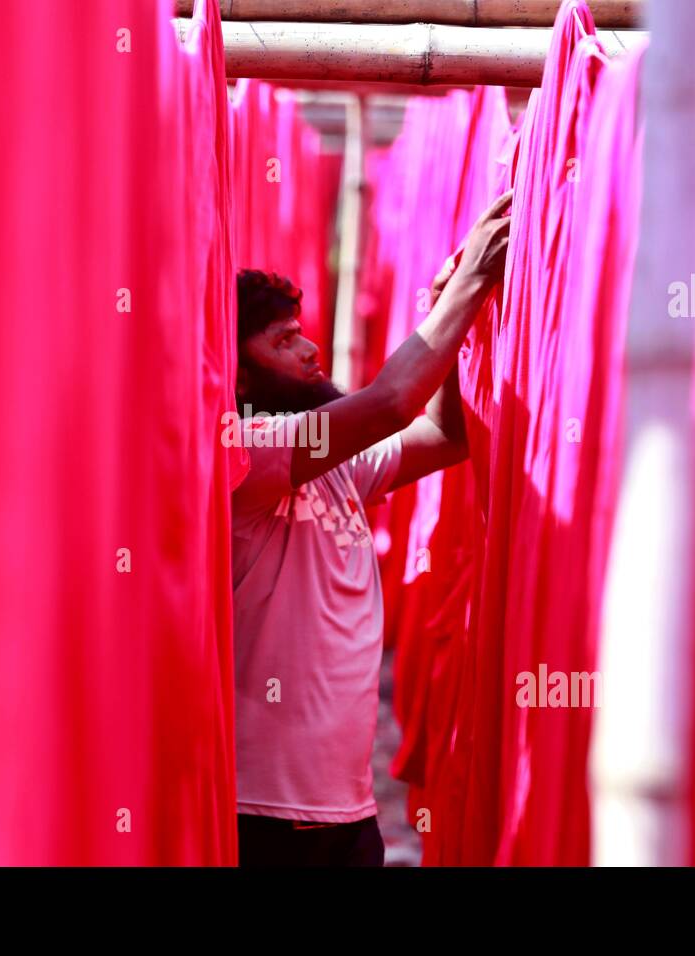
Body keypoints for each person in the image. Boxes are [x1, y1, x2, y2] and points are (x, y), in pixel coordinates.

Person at [230, 190, 514, 866]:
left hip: (348, 810)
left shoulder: (337, 466)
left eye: (300, 331)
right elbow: (390, 402)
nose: (309, 350)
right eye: (283, 340)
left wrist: (446, 304)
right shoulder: (246, 450)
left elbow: (444, 436)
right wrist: (469, 285)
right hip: (265, 817)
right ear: (240, 372)